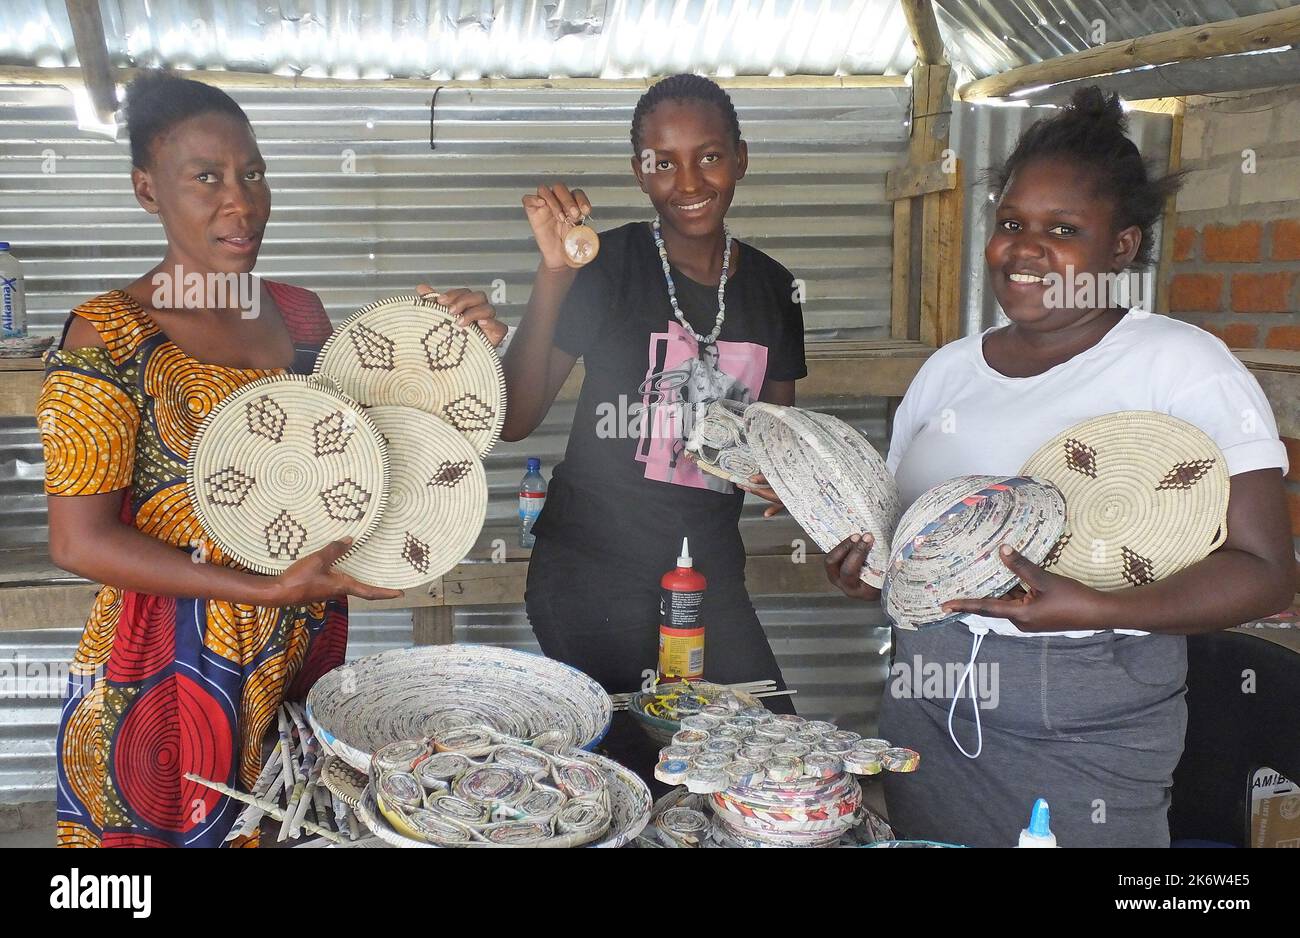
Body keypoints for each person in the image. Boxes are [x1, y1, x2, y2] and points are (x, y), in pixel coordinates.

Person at [39, 71, 504, 847]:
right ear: (146, 190)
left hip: (300, 647)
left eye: (253, 172)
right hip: (167, 665)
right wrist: (262, 586)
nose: (242, 201)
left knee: (290, 827)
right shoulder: (108, 335)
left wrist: (455, 349)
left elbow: (370, 452)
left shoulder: (298, 312)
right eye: (208, 178)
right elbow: (77, 540)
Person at [823, 87, 1292, 848]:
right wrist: (864, 567)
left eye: (1062, 229)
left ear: (1122, 247)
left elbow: (1266, 571)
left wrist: (1099, 606)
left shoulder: (1179, 366)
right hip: (930, 699)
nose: (1025, 248)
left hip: (1085, 721)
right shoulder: (947, 374)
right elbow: (909, 540)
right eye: (1011, 223)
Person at [502, 75, 807, 771]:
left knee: (772, 760)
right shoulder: (604, 265)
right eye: (661, 161)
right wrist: (554, 271)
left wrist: (784, 480)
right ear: (639, 172)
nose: (688, 179)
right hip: (588, 579)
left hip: (709, 581)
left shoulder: (773, 286)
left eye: (709, 155)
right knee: (645, 775)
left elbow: (780, 438)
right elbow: (517, 417)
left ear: (741, 158)